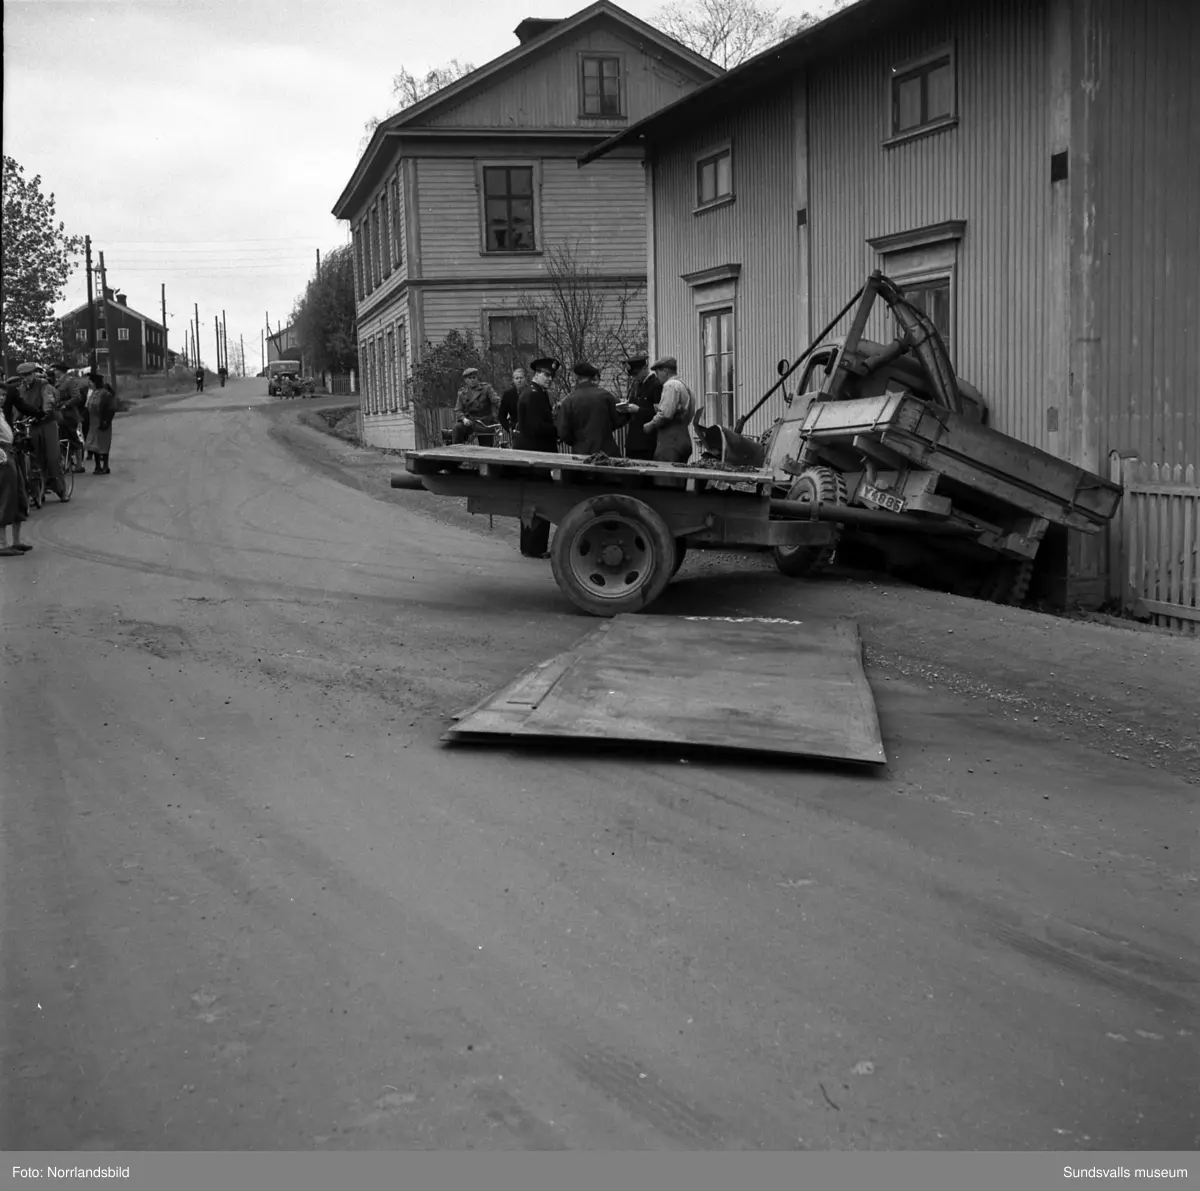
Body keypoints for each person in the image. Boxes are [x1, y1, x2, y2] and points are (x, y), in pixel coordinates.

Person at [514, 357, 561, 558]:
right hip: (535, 456)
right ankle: (534, 547)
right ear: (537, 374)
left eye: (552, 376)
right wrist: (558, 429)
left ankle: (531, 546)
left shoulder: (536, 393)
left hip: (533, 455)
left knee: (533, 501)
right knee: (538, 502)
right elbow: (537, 428)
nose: (549, 379)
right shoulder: (533, 395)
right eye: (546, 375)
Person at [14, 363, 68, 500]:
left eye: (29, 374)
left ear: (34, 373)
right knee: (35, 458)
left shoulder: (44, 385)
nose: (27, 378)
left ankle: (61, 490)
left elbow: (48, 401)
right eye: (24, 375)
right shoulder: (20, 390)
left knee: (52, 457)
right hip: (31, 424)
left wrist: (44, 412)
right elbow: (18, 407)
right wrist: (15, 420)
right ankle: (39, 489)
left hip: (47, 422)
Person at [554, 361, 629, 456]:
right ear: (592, 377)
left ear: (576, 377)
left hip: (581, 453)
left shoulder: (569, 401)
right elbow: (620, 418)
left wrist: (578, 443)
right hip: (607, 452)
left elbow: (564, 432)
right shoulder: (605, 396)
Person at [645, 356, 697, 464]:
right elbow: (689, 413)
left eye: (658, 372)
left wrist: (651, 424)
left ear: (665, 372)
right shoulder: (685, 387)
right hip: (683, 438)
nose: (657, 376)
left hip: (670, 442)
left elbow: (665, 414)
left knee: (666, 478)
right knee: (680, 478)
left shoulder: (670, 385)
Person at [0, 405, 32, 556]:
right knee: (6, 497)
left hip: (10, 451)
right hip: (2, 454)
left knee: (18, 495)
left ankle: (16, 540)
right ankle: (2, 544)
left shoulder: (1, 413)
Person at [621, 354, 661, 461]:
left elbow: (659, 414)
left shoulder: (655, 385)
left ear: (644, 369)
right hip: (634, 441)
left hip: (647, 442)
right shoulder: (637, 385)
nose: (634, 378)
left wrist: (638, 410)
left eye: (636, 374)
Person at [50, 363, 86, 473]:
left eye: (55, 369)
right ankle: (67, 463)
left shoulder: (69, 381)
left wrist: (66, 404)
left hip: (69, 415)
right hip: (60, 415)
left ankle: (79, 464)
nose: (54, 372)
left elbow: (77, 397)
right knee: (62, 440)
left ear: (60, 370)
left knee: (74, 439)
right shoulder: (57, 382)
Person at [451, 367, 500, 446]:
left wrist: (505, 411)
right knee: (457, 428)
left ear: (477, 378)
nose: (472, 380)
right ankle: (457, 451)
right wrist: (464, 419)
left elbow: (496, 401)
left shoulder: (486, 388)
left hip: (484, 421)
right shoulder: (462, 392)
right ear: (466, 380)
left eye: (474, 377)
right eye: (469, 378)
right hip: (470, 421)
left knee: (486, 447)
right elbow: (458, 409)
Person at [84, 371, 117, 474]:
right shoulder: (93, 393)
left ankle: (105, 466)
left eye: (91, 382)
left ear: (95, 382)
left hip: (102, 422)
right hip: (93, 423)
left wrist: (106, 421)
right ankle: (97, 466)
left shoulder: (105, 394)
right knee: (94, 446)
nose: (89, 384)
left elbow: (111, 409)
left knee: (103, 445)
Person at [497, 367, 527, 444]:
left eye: (521, 378)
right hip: (515, 429)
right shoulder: (508, 394)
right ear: (513, 380)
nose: (519, 380)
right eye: (517, 378)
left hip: (531, 429)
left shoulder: (532, 392)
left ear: (525, 379)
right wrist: (509, 428)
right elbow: (501, 415)